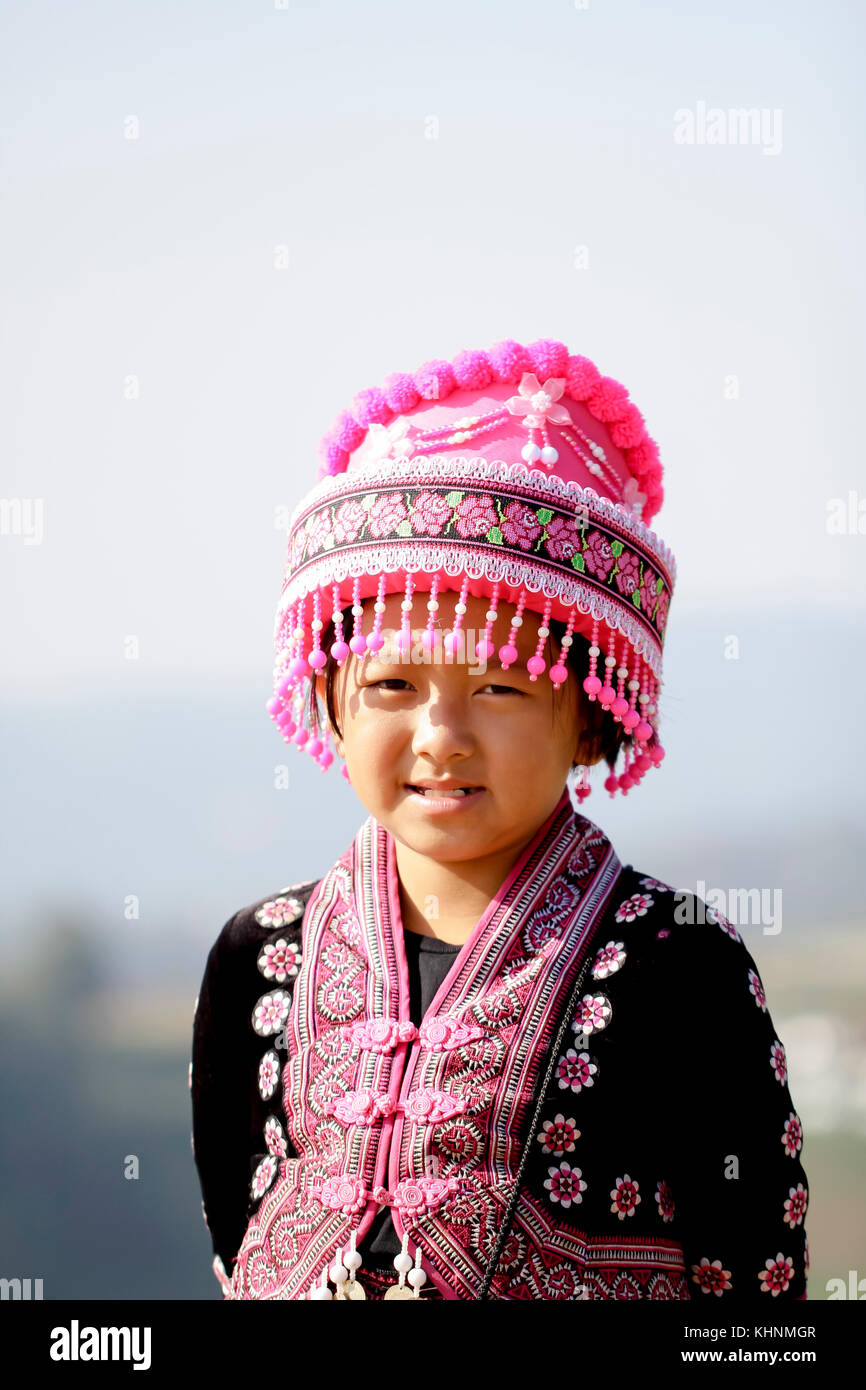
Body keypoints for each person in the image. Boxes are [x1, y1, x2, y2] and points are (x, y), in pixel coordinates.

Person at [190, 336, 809, 1300]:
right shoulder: (258, 957)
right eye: (392, 683)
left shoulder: (680, 965)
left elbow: (758, 1295)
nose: (441, 735)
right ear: (335, 705)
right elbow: (236, 1243)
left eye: (499, 688)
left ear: (588, 712)